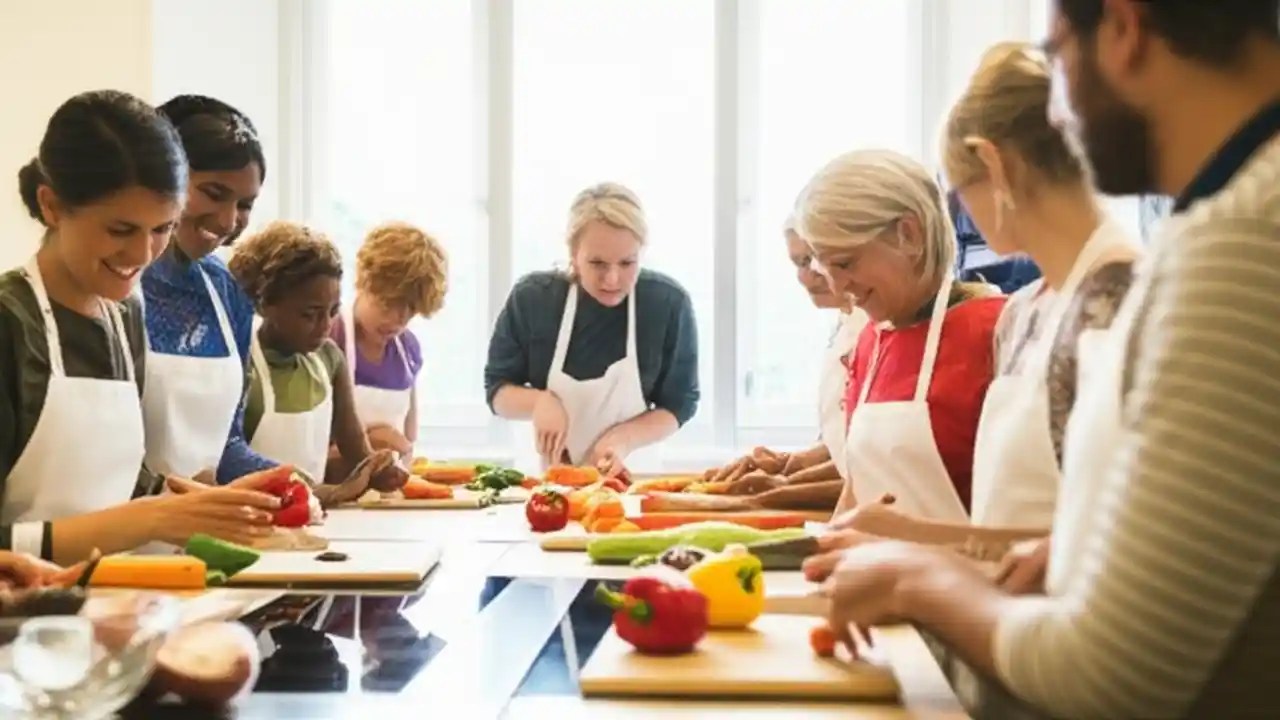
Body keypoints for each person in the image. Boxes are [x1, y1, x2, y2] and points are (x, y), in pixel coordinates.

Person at [807, 2, 1280, 717]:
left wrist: (914, 575)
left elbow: (1115, 677)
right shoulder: (1216, 228)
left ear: (1122, 29)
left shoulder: (1239, 239)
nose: (1056, 109)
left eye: (1055, 53)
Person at [830, 43, 1141, 550]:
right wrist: (906, 540)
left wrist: (912, 538)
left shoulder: (1118, 302)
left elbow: (1117, 540)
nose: (962, 213)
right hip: (1001, 612)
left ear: (995, 167)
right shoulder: (1024, 311)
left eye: (959, 190)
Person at [0, 91, 277, 563]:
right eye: (121, 230)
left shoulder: (123, 316)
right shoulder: (11, 325)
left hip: (108, 612)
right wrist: (149, 519)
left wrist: (206, 503)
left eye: (162, 229)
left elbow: (118, 486)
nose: (142, 256)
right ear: (51, 205)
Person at [793, 150, 1005, 523]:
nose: (838, 286)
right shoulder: (868, 345)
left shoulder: (997, 331)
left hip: (970, 578)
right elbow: (856, 494)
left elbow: (1030, 520)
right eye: (827, 267)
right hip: (879, 573)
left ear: (909, 234)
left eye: (846, 263)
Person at [484, 183, 699, 475]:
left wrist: (622, 439)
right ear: (574, 253)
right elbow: (497, 391)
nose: (612, 279)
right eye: (597, 263)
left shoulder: (667, 304)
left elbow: (679, 404)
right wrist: (539, 403)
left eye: (627, 263)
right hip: (545, 483)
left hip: (630, 477)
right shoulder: (533, 299)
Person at [140, 95, 276, 485]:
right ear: (165, 178)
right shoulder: (118, 285)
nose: (229, 220)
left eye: (245, 204)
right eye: (214, 193)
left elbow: (227, 444)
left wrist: (289, 481)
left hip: (207, 534)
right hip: (114, 537)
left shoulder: (227, 290)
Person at [228, 221, 406, 489]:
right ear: (265, 305)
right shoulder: (242, 364)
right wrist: (329, 493)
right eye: (309, 315)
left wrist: (383, 470)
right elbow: (228, 468)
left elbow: (359, 456)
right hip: (248, 519)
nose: (325, 327)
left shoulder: (330, 360)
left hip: (313, 519)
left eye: (333, 311)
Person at [715, 218, 868, 486]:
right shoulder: (844, 327)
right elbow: (842, 444)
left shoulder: (878, 327)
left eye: (817, 259)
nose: (811, 275)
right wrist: (785, 464)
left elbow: (869, 464)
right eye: (800, 263)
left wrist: (782, 484)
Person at [327, 221, 448, 471]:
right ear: (364, 281)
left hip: (386, 493)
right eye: (388, 305)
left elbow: (408, 437)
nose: (398, 320)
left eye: (410, 310)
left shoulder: (408, 350)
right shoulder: (329, 337)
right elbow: (307, 453)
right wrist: (368, 444)